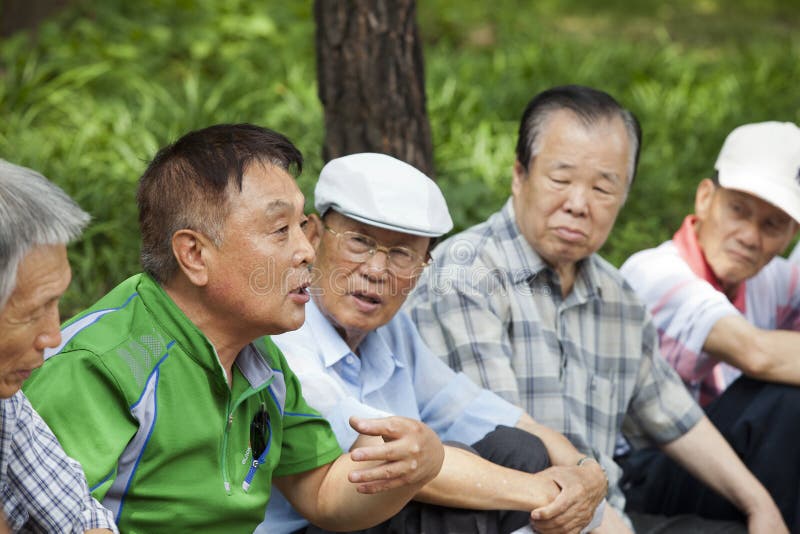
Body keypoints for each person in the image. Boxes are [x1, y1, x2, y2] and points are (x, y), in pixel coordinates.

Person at [21, 124, 444, 533]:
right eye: (280, 230)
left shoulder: (260, 357)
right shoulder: (102, 365)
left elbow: (322, 493)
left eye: (301, 226)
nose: (307, 251)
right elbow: (49, 521)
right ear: (194, 254)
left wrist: (414, 470)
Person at [405, 85, 788, 533]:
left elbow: (675, 416)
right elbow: (508, 447)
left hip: (608, 514)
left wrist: (760, 505)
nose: (578, 205)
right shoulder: (466, 274)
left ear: (624, 196)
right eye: (560, 179)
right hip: (518, 518)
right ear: (519, 175)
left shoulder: (617, 296)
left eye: (603, 188)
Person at [256, 153, 609, 534]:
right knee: (431, 494)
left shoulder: (393, 332)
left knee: (520, 449)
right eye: (359, 242)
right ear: (312, 236)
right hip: (314, 526)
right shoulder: (282, 330)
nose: (376, 270)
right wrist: (547, 494)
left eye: (402, 254)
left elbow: (484, 411)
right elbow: (384, 459)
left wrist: (584, 472)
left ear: (424, 265)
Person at [619, 121, 800, 529]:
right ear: (705, 198)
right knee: (787, 401)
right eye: (738, 210)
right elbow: (756, 354)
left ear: (791, 235)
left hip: (720, 466)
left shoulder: (775, 281)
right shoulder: (655, 274)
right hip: (645, 469)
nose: (749, 236)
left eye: (772, 225)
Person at [0, 159, 118, 533]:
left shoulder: (6, 402)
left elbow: (80, 517)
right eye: (34, 312)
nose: (54, 337)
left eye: (56, 304)